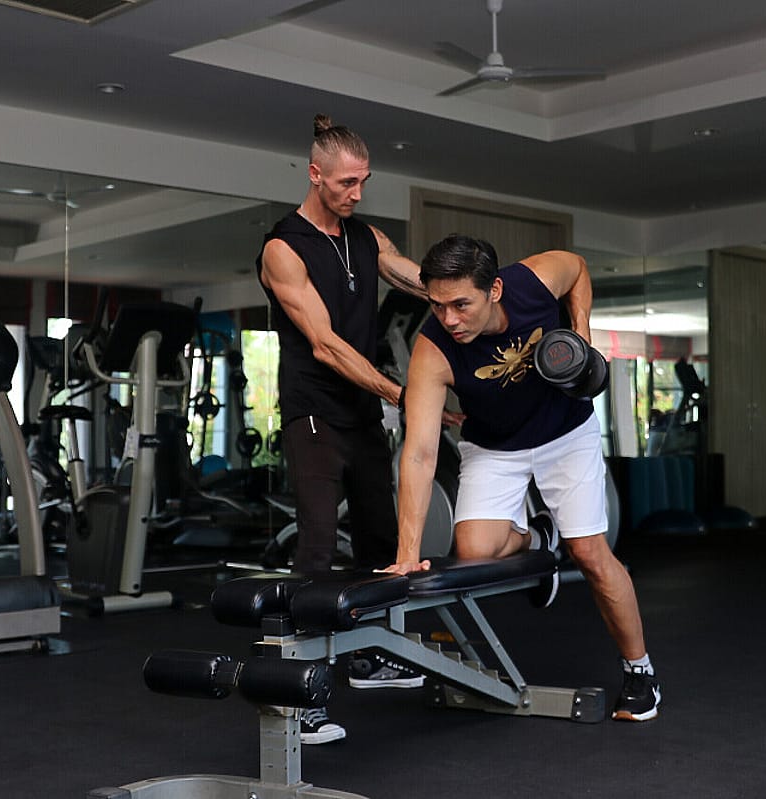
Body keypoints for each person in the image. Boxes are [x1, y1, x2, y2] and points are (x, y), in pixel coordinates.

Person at [386, 234, 662, 722]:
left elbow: (577, 267)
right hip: (494, 448)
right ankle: (539, 536)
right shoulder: (433, 351)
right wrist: (407, 555)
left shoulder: (531, 282)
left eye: (460, 304)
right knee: (473, 551)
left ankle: (640, 672)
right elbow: (420, 454)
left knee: (591, 554)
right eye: (438, 305)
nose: (449, 319)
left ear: (494, 289)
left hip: (565, 432)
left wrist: (580, 334)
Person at [256, 114, 429, 744]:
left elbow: (409, 273)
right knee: (319, 549)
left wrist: (465, 293)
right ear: (315, 174)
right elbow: (326, 345)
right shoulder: (283, 247)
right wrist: (400, 393)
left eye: (364, 182)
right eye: (347, 183)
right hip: (314, 412)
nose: (357, 193)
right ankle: (298, 699)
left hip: (360, 414)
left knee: (383, 546)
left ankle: (367, 654)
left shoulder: (365, 237)